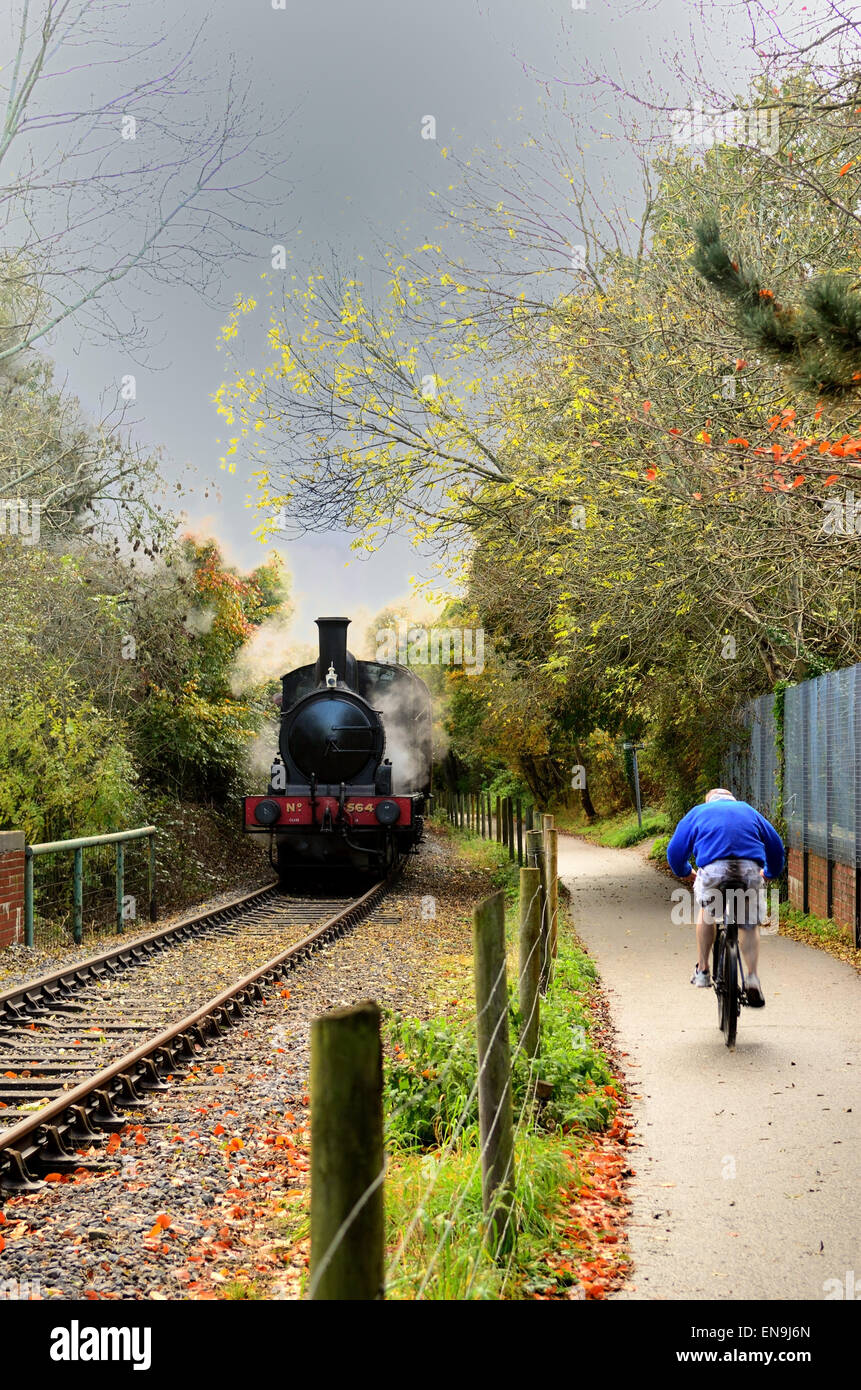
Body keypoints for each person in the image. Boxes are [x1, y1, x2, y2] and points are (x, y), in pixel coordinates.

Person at [666, 788, 785, 1008]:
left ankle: (702, 969)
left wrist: (685, 871)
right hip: (749, 869)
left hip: (714, 870)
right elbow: (776, 847)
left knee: (708, 912)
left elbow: (675, 851)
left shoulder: (699, 812)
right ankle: (751, 978)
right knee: (748, 925)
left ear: (709, 801)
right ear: (732, 800)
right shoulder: (748, 811)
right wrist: (770, 873)